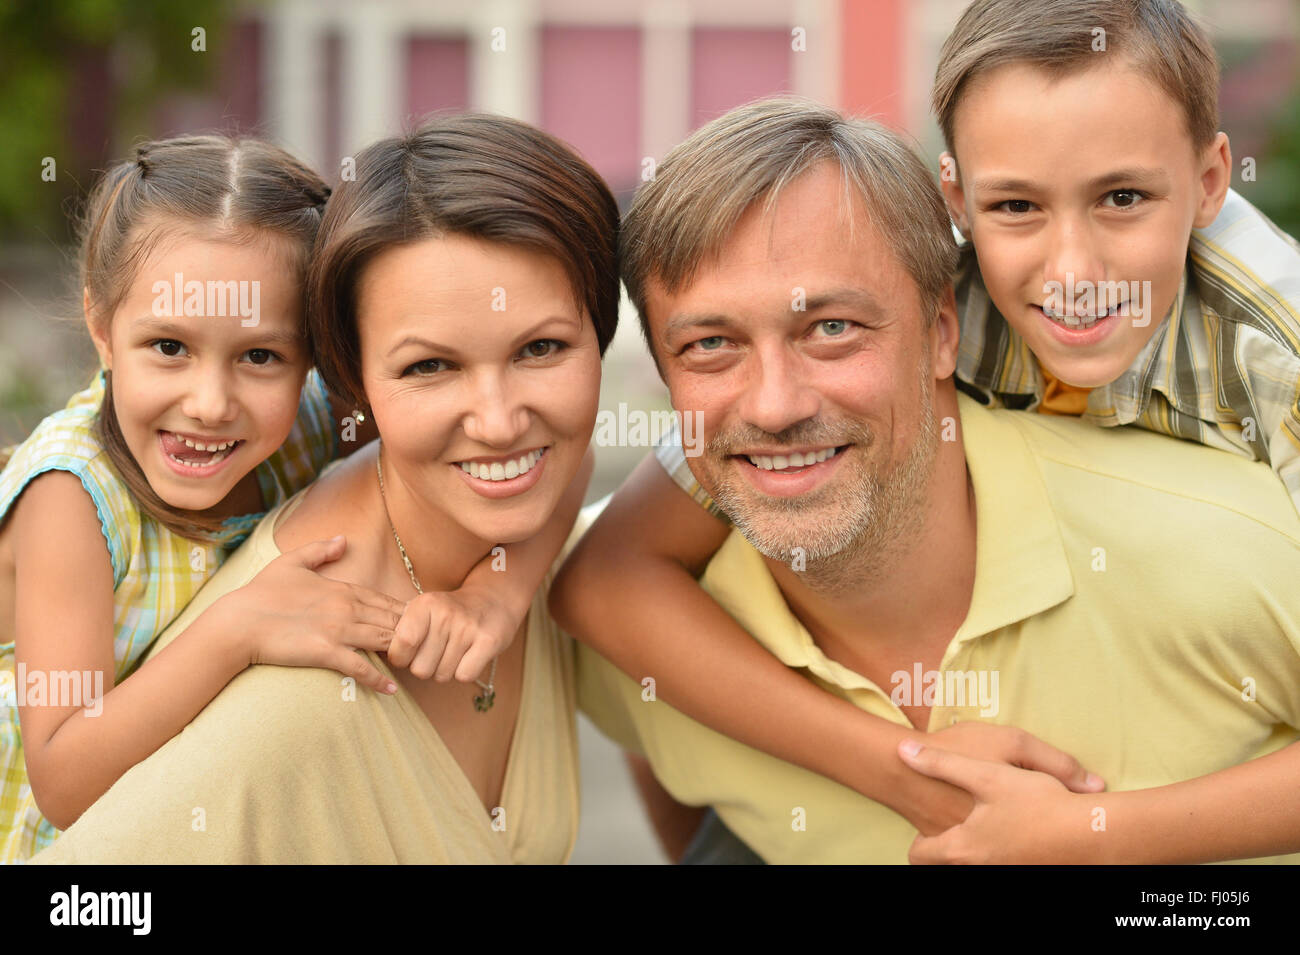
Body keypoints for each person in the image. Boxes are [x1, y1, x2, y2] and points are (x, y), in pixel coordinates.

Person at [551, 0, 1300, 859]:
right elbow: (606, 591)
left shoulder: (1274, 367)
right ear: (960, 202)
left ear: (1210, 181)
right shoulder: (955, 293)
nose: (1071, 268)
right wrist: (900, 770)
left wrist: (1097, 833)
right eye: (1015, 205)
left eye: (1122, 197)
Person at [31, 111, 619, 864]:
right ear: (101, 329)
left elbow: (559, 459)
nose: (212, 402)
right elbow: (62, 780)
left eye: (541, 348)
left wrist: (498, 595)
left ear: (314, 363)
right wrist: (236, 629)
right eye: (169, 346)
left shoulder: (308, 423)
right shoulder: (68, 500)